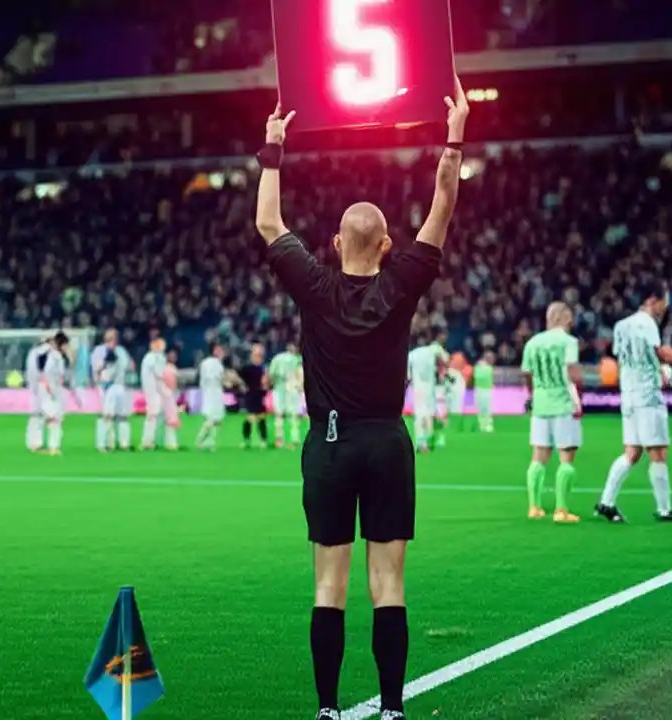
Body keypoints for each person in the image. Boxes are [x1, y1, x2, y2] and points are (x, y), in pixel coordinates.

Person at [256, 77, 468, 720]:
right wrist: (454, 132)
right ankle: (394, 710)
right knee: (389, 585)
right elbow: (443, 201)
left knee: (329, 585)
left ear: (332, 245)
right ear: (385, 246)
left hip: (329, 444)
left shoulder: (314, 286)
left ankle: (327, 709)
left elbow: (268, 220)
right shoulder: (402, 281)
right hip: (386, 441)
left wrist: (273, 144)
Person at [595, 282, 672, 523]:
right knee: (658, 451)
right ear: (652, 300)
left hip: (629, 395)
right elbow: (661, 351)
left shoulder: (621, 325)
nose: (665, 308)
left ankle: (606, 502)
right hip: (647, 395)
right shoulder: (648, 323)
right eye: (664, 302)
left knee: (631, 453)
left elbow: (621, 360)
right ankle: (664, 509)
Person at [521, 303, 583, 523]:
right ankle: (561, 510)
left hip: (540, 402)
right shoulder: (568, 342)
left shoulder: (533, 343)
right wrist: (578, 399)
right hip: (563, 403)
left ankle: (534, 507)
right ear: (566, 319)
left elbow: (527, 374)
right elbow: (572, 372)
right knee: (566, 455)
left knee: (538, 456)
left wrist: (533, 394)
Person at [90, 329, 133, 452]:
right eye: (110, 337)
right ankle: (104, 444)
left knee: (123, 415)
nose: (113, 339)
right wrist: (105, 363)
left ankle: (124, 443)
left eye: (114, 337)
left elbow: (128, 366)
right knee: (106, 415)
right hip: (105, 386)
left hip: (120, 385)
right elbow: (96, 369)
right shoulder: (99, 350)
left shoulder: (121, 351)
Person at [407, 336, 448, 453]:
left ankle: (421, 442)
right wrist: (441, 367)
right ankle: (426, 441)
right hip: (428, 388)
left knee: (420, 415)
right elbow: (445, 359)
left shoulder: (412, 354)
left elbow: (407, 375)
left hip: (418, 389)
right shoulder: (434, 349)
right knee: (428, 414)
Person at [38, 332, 71, 455]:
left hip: (55, 390)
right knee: (53, 418)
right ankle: (53, 446)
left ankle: (54, 446)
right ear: (61, 345)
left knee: (55, 419)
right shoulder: (54, 356)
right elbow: (46, 373)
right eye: (66, 345)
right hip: (51, 391)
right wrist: (49, 389)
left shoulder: (58, 357)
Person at [270, 342, 306, 448]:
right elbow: (301, 374)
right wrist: (301, 387)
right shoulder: (297, 360)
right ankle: (294, 439)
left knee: (279, 415)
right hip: (293, 388)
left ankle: (279, 440)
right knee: (294, 415)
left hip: (279, 388)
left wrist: (274, 383)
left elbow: (272, 373)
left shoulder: (277, 358)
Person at [195, 343, 228, 452]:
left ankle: (210, 442)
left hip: (207, 391)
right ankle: (200, 439)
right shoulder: (216, 364)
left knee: (213, 418)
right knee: (213, 418)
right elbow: (220, 378)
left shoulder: (204, 363)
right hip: (214, 392)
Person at [238, 343, 270, 449]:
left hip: (260, 394)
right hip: (251, 394)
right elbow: (238, 377)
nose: (259, 356)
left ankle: (263, 440)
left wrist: (266, 386)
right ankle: (247, 440)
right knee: (251, 417)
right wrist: (241, 385)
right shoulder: (247, 368)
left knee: (261, 418)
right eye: (257, 354)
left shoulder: (264, 368)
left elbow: (267, 381)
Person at [140, 338, 170, 450]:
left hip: (153, 389)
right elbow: (160, 373)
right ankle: (148, 441)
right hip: (155, 390)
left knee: (156, 414)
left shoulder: (149, 357)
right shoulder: (155, 358)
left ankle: (152, 440)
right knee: (154, 415)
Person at [24, 333, 53, 452]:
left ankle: (34, 442)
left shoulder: (32, 353)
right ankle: (37, 443)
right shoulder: (44, 353)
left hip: (35, 386)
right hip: (42, 385)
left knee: (36, 415)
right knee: (43, 415)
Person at [474, 351, 496, 433]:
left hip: (485, 390)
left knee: (485, 409)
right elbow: (478, 377)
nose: (493, 361)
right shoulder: (481, 367)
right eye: (492, 359)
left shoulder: (488, 367)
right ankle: (484, 426)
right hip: (481, 390)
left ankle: (486, 425)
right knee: (483, 409)